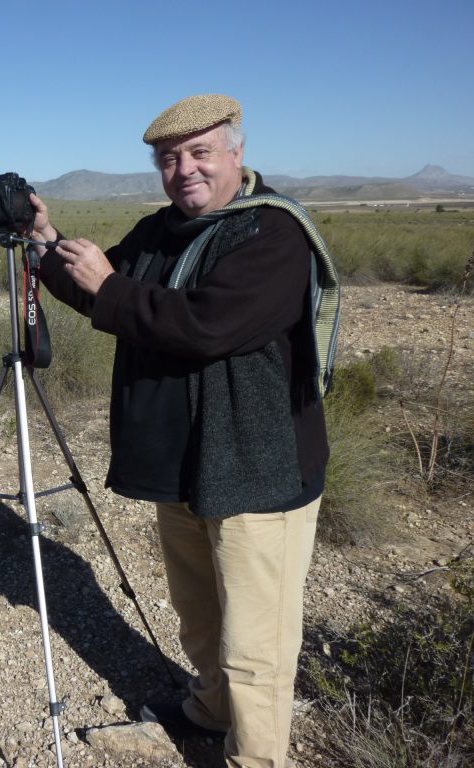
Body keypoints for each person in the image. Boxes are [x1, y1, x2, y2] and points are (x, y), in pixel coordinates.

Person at [27, 93, 327, 768]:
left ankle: (256, 758)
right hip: (185, 463)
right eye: (169, 158)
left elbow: (206, 325)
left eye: (200, 152)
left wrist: (111, 286)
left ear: (237, 153)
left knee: (255, 643)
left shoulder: (273, 234)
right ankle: (210, 711)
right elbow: (98, 290)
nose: (184, 169)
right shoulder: (160, 231)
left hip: (257, 468)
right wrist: (45, 244)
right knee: (199, 612)